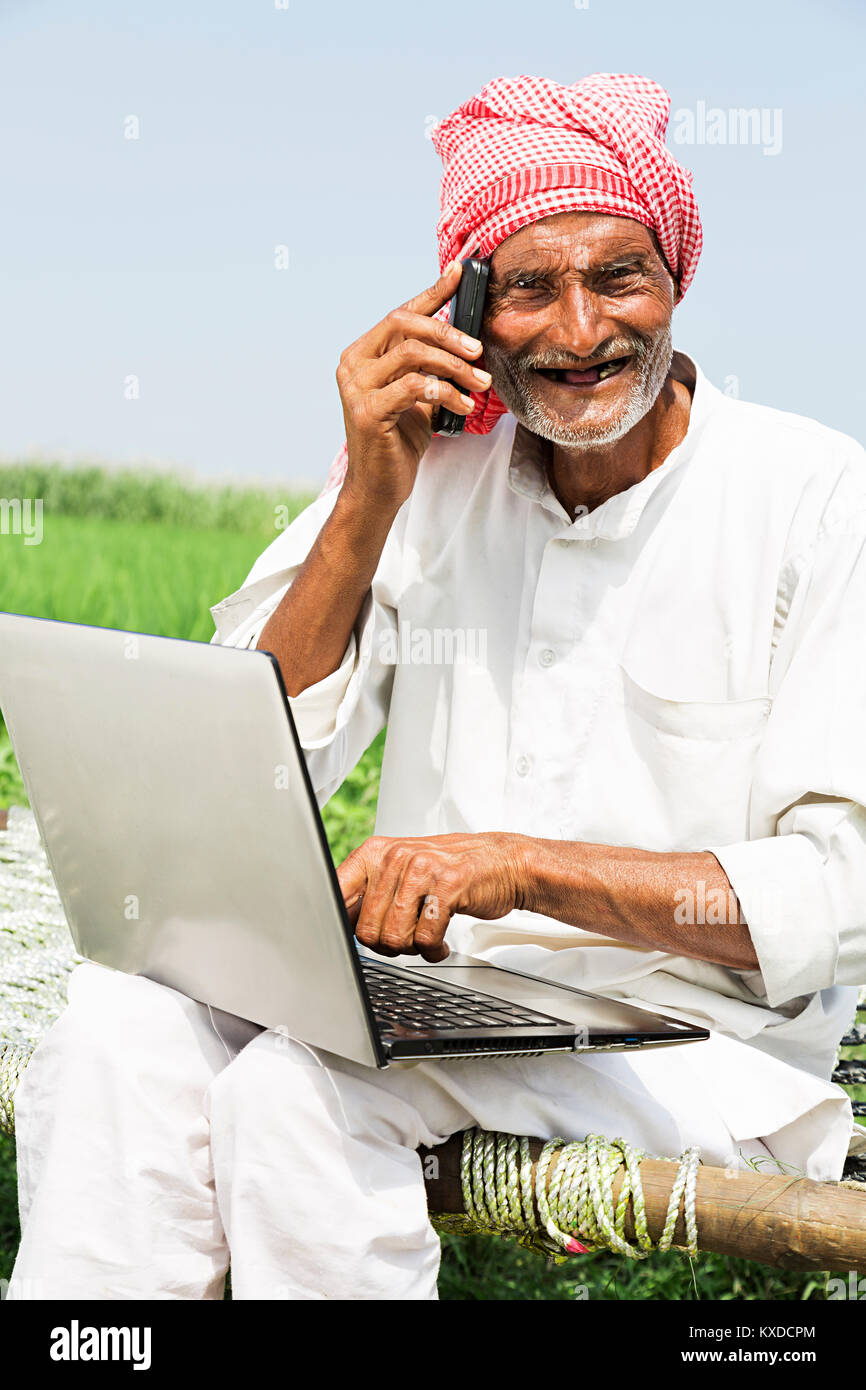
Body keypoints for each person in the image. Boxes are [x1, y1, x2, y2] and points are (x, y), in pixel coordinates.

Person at [11, 72, 866, 1301]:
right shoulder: (433, 478)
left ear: (676, 278)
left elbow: (838, 898)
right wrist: (368, 490)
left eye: (618, 274)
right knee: (116, 1026)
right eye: (526, 286)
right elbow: (265, 754)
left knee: (298, 1099)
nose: (579, 331)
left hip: (694, 1043)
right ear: (468, 308)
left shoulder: (815, 498)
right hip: (438, 1002)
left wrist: (518, 867)